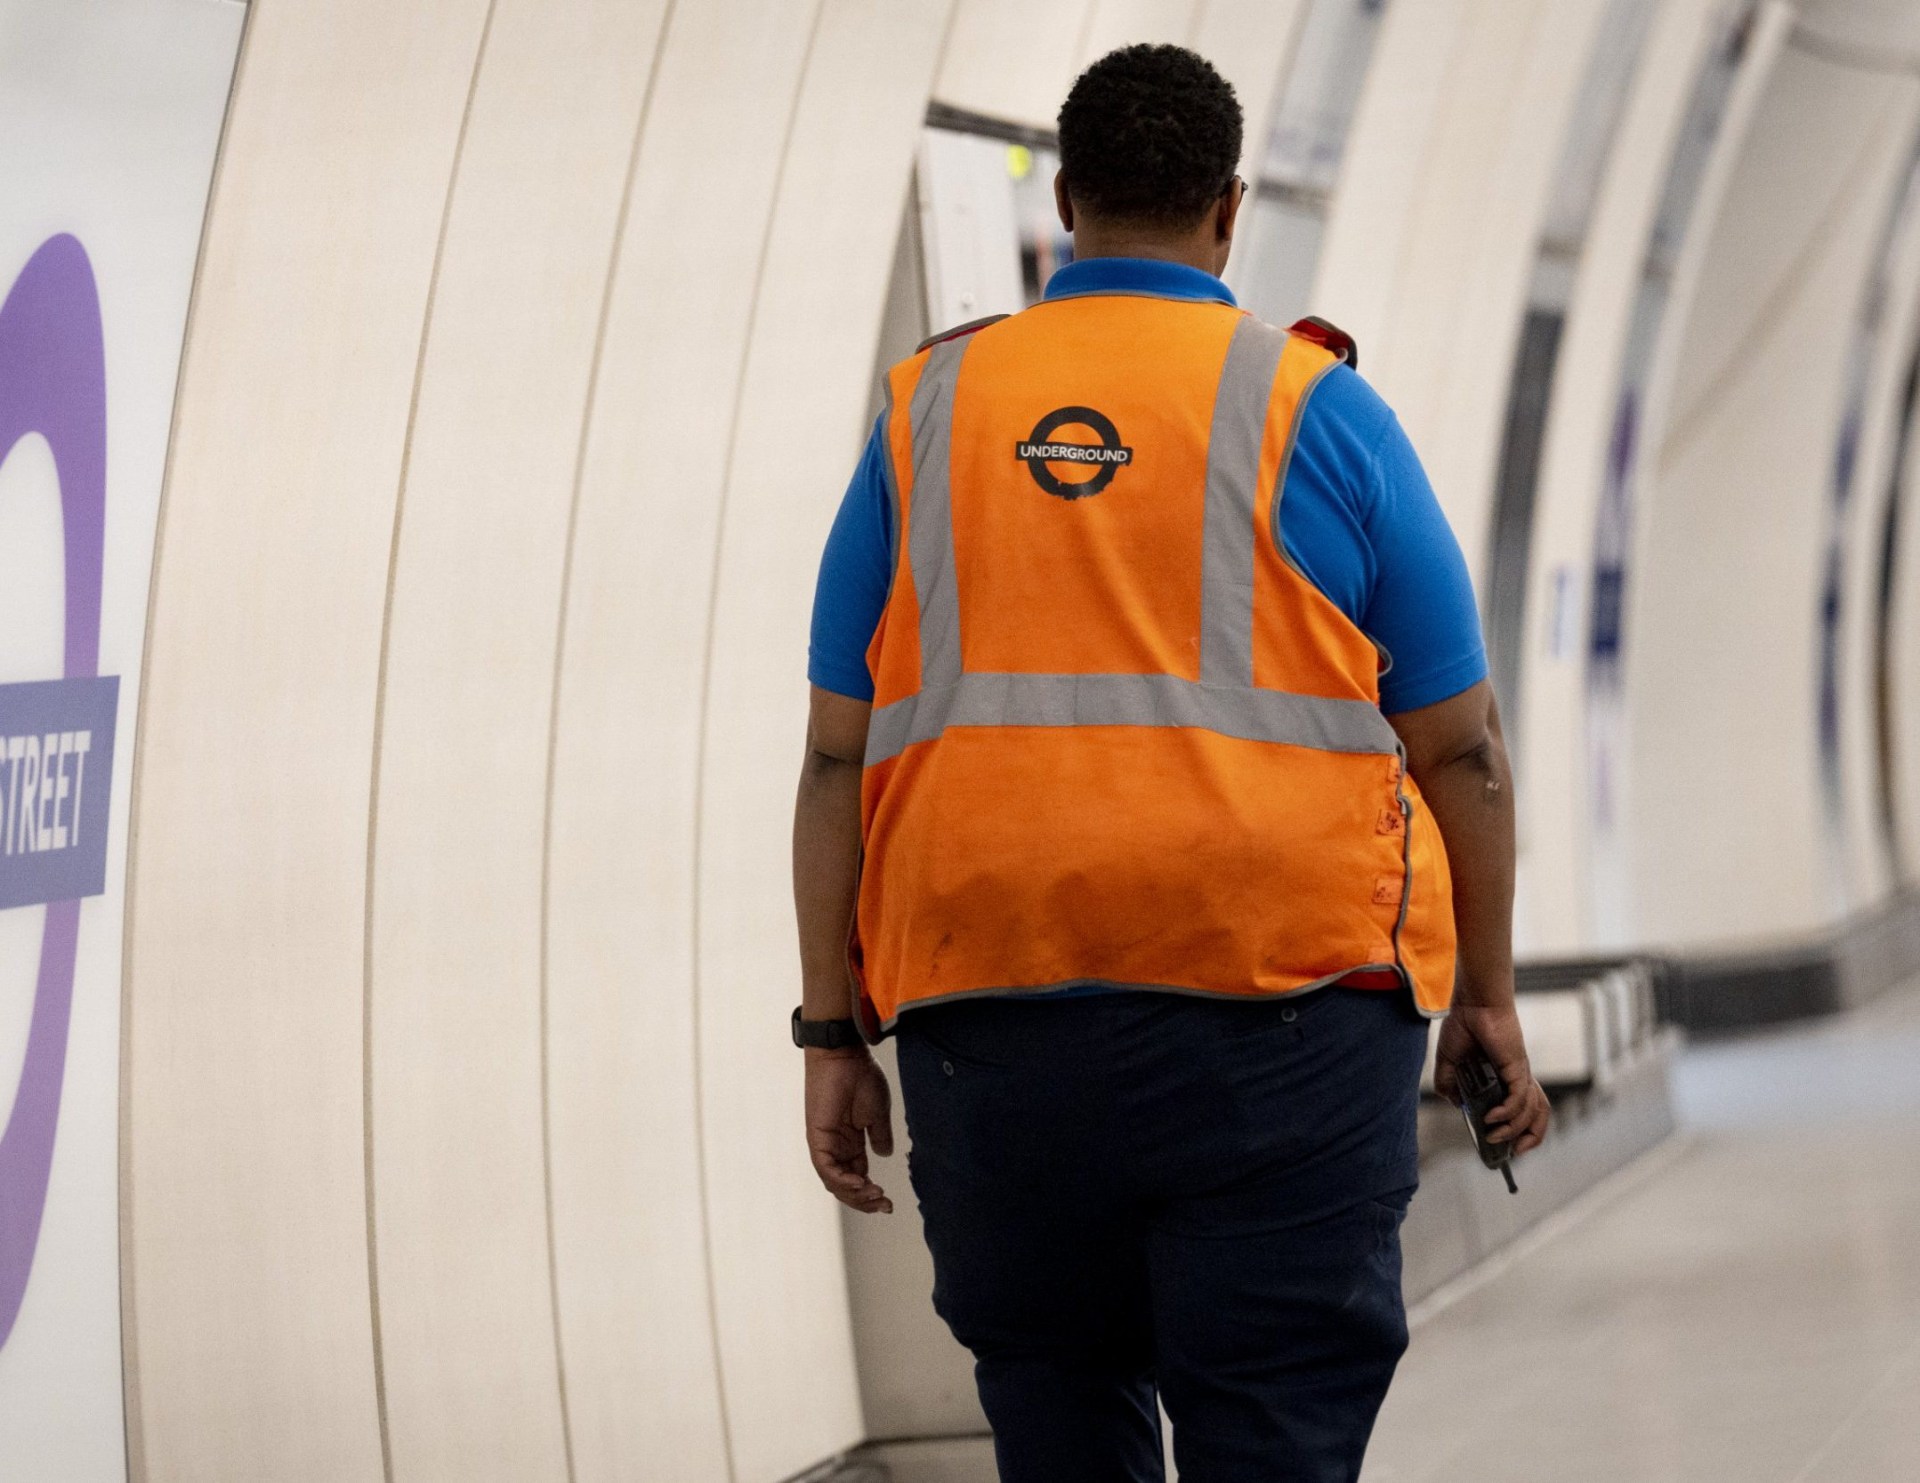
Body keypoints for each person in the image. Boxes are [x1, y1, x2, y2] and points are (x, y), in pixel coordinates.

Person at [790, 42, 1550, 1483]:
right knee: (1272, 1428)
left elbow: (836, 764)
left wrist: (832, 1033)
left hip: (988, 1030)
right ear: (1230, 209)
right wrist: (1490, 1002)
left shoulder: (922, 419)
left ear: (1066, 201)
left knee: (1056, 1407)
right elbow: (1466, 753)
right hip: (1290, 1032)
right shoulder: (1320, 413)